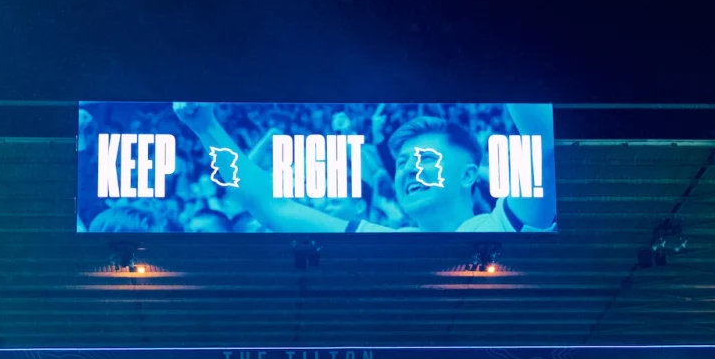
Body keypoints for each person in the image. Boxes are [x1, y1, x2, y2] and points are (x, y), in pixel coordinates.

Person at [171, 102, 555, 232]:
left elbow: (546, 143)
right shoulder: (390, 242)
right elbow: (277, 208)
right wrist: (205, 126)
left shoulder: (507, 224)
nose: (407, 171)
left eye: (423, 159)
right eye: (402, 163)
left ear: (469, 175)